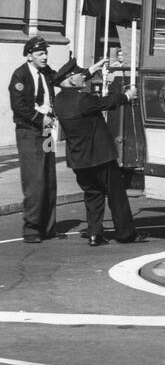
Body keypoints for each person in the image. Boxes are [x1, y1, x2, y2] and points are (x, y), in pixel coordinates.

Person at [53, 61, 140, 245]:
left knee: (93, 194)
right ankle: (126, 234)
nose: (83, 76)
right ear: (69, 79)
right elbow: (106, 102)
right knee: (116, 194)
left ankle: (94, 234)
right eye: (79, 75)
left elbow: (91, 94)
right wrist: (126, 95)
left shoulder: (59, 101)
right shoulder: (82, 99)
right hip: (100, 156)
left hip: (79, 159)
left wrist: (97, 67)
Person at [8, 36, 60, 243]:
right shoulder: (20, 76)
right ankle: (31, 228)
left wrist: (90, 71)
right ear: (29, 56)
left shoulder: (47, 73)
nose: (45, 57)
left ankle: (48, 228)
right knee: (34, 180)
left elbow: (63, 77)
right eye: (40, 53)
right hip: (29, 131)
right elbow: (19, 107)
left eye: (46, 53)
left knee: (49, 177)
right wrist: (41, 118)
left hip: (47, 130)